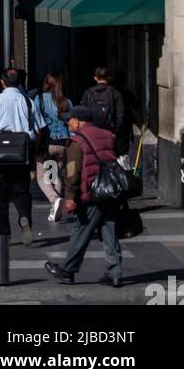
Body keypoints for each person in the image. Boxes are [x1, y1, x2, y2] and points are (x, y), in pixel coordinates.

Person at [44, 106, 124, 288]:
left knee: (81, 231)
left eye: (69, 120)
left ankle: (68, 269)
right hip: (110, 191)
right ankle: (115, 273)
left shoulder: (76, 142)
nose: (67, 123)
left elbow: (73, 172)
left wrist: (70, 197)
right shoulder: (108, 135)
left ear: (78, 121)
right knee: (109, 232)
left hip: (91, 194)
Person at [0, 68, 46, 246]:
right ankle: (24, 218)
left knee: (0, 197)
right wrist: (34, 150)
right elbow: (38, 130)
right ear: (19, 82)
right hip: (21, 155)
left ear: (2, 82)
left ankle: (3, 234)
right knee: (22, 191)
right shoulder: (28, 102)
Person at [35, 72, 73, 222]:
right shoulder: (67, 102)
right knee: (55, 175)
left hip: (47, 144)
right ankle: (54, 209)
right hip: (63, 144)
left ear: (46, 83)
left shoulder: (39, 100)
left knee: (42, 177)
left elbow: (34, 121)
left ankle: (55, 200)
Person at [80, 67, 127, 151]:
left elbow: (83, 115)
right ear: (109, 78)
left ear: (95, 78)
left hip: (91, 134)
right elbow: (120, 117)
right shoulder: (115, 94)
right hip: (109, 133)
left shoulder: (88, 93)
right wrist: (115, 133)